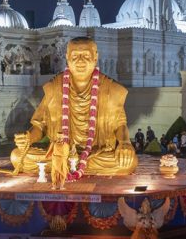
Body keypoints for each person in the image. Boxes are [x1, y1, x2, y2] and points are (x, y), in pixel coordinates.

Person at [11, 37, 137, 175]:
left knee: (128, 163)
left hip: (96, 152)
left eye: (86, 56)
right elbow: (40, 126)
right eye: (75, 56)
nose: (80, 61)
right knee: (17, 156)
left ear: (95, 57)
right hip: (61, 152)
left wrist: (125, 143)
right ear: (67, 58)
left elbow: (119, 124)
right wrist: (29, 137)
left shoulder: (111, 89)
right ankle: (74, 166)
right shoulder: (54, 87)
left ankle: (71, 166)